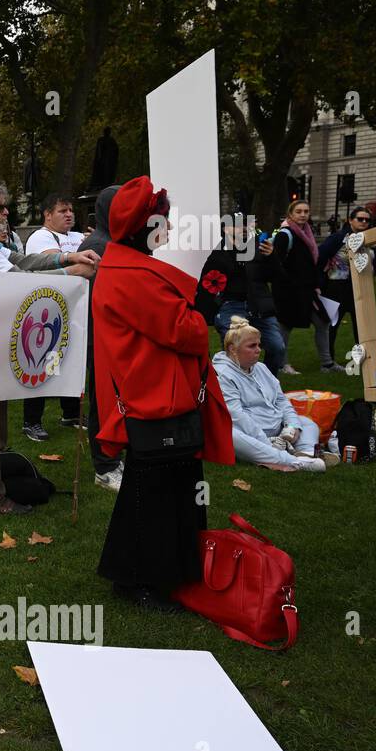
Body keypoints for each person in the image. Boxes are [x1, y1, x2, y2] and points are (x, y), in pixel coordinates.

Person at [92, 176, 234, 612]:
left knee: (156, 490)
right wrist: (212, 293)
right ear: (144, 226)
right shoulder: (132, 275)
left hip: (156, 395)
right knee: (155, 494)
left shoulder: (126, 267)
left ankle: (144, 574)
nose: (169, 231)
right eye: (163, 222)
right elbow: (185, 331)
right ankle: (143, 578)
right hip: (153, 399)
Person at [0, 182, 96, 516]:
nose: (6, 212)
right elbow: (21, 278)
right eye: (0, 207)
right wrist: (75, 273)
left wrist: (68, 255)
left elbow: (20, 258)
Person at [212, 316, 337, 472]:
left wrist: (292, 427)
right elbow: (237, 416)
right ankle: (294, 461)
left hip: (276, 427)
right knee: (230, 435)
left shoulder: (261, 368)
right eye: (252, 346)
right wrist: (266, 442)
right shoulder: (222, 374)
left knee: (305, 422)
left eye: (259, 345)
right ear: (232, 349)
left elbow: (281, 400)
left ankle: (306, 452)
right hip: (251, 432)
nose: (258, 350)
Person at [20, 194, 88, 439]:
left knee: (71, 361)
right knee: (40, 364)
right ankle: (32, 421)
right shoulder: (41, 236)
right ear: (47, 215)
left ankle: (70, 413)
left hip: (74, 310)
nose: (69, 214)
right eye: (62, 211)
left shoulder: (76, 236)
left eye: (70, 210)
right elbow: (50, 262)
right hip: (46, 311)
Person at [77, 184, 125, 491]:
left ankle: (112, 457)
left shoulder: (110, 242)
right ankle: (105, 466)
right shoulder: (102, 245)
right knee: (105, 403)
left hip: (111, 337)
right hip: (102, 338)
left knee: (114, 401)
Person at [194, 220, 285, 374]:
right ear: (226, 229)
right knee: (235, 352)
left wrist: (271, 257)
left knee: (277, 347)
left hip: (259, 306)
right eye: (237, 224)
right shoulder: (219, 254)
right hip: (231, 308)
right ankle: (235, 386)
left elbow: (278, 277)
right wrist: (206, 314)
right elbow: (208, 284)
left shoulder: (259, 248)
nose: (243, 228)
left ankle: (268, 385)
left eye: (245, 224)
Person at [271, 199, 336, 373]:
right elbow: (275, 264)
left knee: (323, 322)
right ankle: (282, 364)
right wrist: (286, 286)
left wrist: (315, 284)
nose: (303, 215)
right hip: (288, 291)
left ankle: (327, 363)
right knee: (285, 326)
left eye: (306, 211)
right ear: (290, 214)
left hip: (307, 290)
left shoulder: (306, 232)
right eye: (298, 211)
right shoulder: (285, 235)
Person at [316, 205, 368, 362]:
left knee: (361, 325)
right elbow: (320, 257)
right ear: (350, 220)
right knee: (333, 324)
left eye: (367, 219)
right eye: (360, 219)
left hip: (358, 287)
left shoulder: (368, 237)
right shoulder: (338, 237)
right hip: (336, 287)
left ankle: (364, 358)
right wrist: (319, 281)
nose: (364, 222)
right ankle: (329, 359)